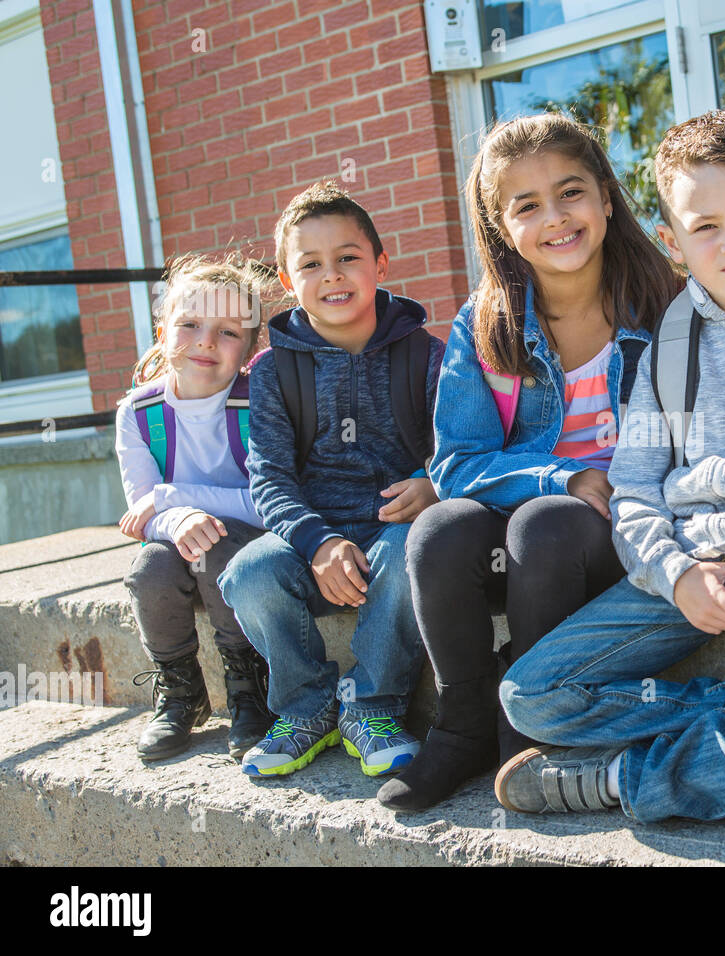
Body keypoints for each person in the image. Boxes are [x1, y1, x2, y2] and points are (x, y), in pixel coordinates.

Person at [495, 110, 725, 826]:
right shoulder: (669, 343)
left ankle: (617, 781)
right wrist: (674, 572)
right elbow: (634, 491)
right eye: (705, 227)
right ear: (672, 241)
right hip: (692, 564)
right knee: (530, 696)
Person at [377, 113, 681, 811]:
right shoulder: (485, 324)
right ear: (500, 225)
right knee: (439, 530)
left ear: (606, 196)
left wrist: (602, 489)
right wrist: (564, 474)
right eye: (528, 205)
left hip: (617, 529)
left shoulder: (663, 302)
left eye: (571, 192)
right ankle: (461, 725)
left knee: (545, 524)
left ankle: (530, 733)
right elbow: (457, 461)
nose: (556, 218)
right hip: (523, 534)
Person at [218, 181, 443, 778]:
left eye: (348, 257)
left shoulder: (426, 355)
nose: (333, 275)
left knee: (417, 550)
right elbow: (268, 478)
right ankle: (307, 705)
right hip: (313, 542)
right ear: (289, 282)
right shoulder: (272, 371)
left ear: (379, 263)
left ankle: (371, 705)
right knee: (248, 571)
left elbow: (458, 446)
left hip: (392, 533)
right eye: (311, 264)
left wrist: (431, 482)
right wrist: (316, 541)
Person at [116, 252, 275, 762]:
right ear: (162, 331)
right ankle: (181, 690)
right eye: (189, 324)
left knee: (222, 545)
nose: (206, 341)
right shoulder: (138, 414)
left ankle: (247, 681)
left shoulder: (260, 404)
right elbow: (141, 514)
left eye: (229, 331)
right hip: (177, 543)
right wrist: (175, 514)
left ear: (252, 347)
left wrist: (174, 498)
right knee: (150, 567)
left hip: (250, 545)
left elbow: (272, 505)